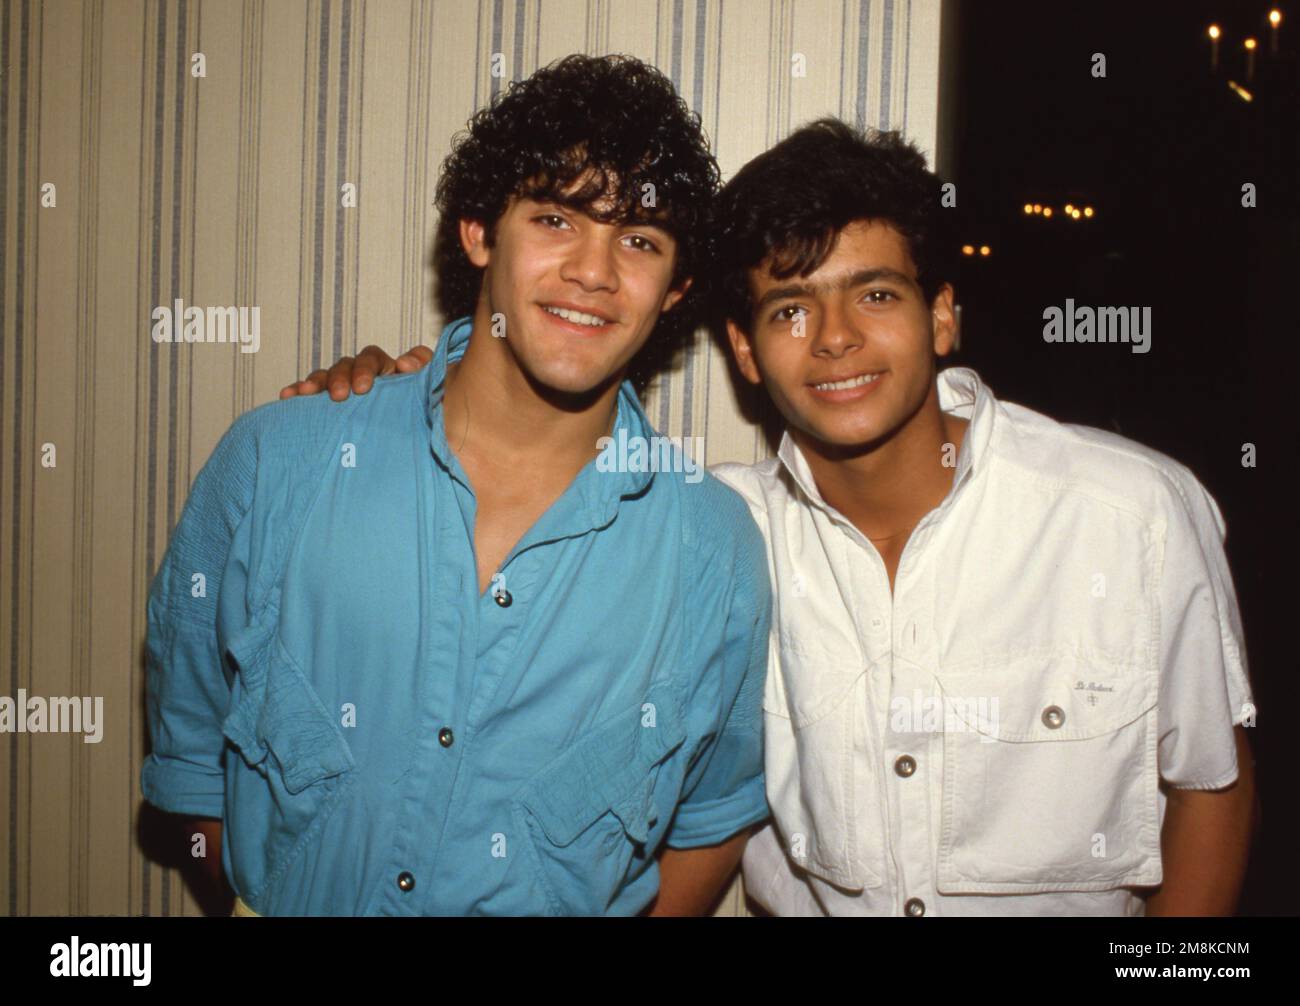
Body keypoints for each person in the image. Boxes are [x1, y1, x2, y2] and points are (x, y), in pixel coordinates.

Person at [304, 119, 1257, 916]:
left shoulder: (1128, 514)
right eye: (790, 308)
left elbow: (1210, 783)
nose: (836, 338)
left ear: (942, 316)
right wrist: (395, 398)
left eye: (876, 295)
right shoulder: (708, 541)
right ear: (745, 353)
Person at [141, 53, 772, 917]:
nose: (594, 271)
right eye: (556, 218)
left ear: (675, 291)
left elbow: (710, 821)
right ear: (479, 232)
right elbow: (186, 765)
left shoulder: (715, 550)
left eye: (638, 240)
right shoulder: (273, 465)